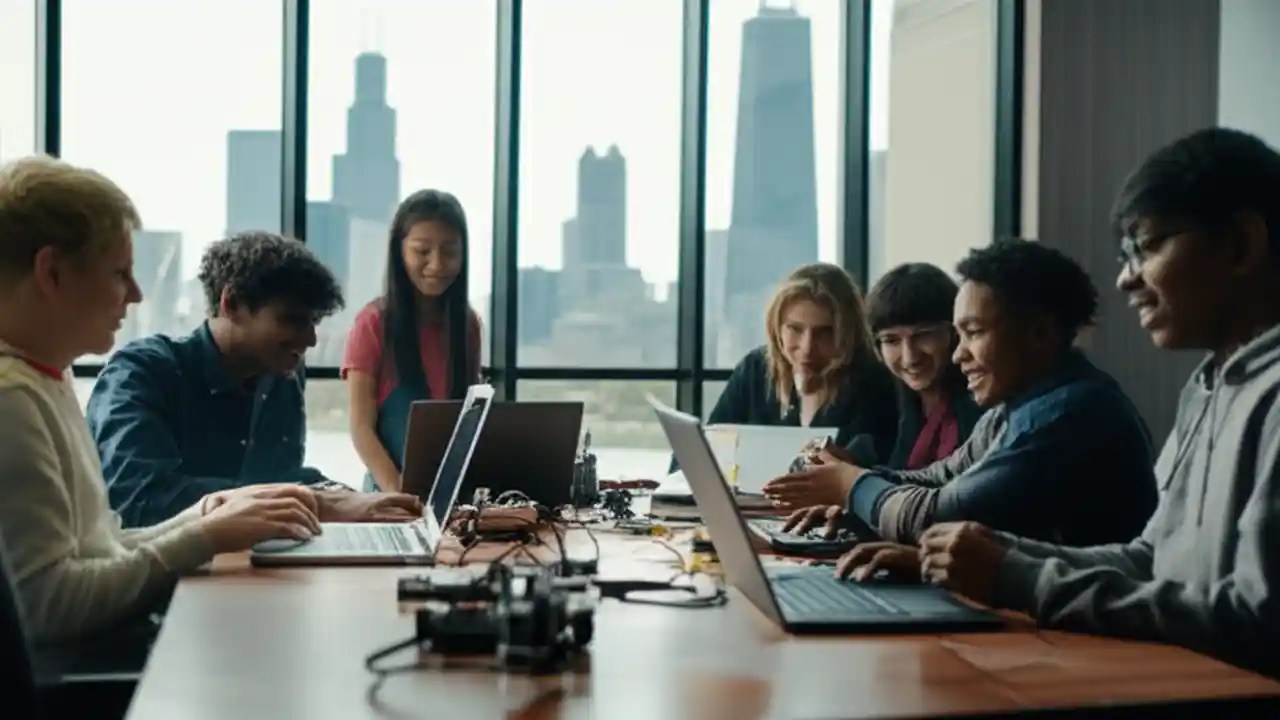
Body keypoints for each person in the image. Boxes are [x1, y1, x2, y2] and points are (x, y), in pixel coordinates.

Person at [912, 128, 1280, 676]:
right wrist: (995, 557)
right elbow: (1149, 560)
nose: (1126, 278)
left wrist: (1019, 578)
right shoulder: (1206, 387)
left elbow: (1257, 622)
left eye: (1148, 246)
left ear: (1242, 243)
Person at [0, 155, 322, 644]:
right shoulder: (11, 401)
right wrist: (207, 536)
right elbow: (48, 609)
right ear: (53, 272)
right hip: (81, 685)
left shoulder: (45, 380)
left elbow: (102, 550)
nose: (134, 295)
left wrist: (207, 513)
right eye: (119, 272)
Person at [767, 239, 1158, 569]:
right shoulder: (1014, 408)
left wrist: (852, 486)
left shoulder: (1066, 415)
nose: (958, 355)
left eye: (973, 333)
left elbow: (940, 515)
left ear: (1040, 333)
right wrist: (853, 490)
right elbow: (939, 478)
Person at [87, 232, 423, 528]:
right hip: (162, 588)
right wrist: (319, 503)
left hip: (246, 572)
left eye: (313, 322)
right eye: (292, 320)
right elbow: (139, 501)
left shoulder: (280, 376)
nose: (310, 340)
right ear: (232, 304)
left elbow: (281, 479)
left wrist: (357, 502)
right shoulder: (141, 374)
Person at [343, 190, 482, 492]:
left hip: (454, 499)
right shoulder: (373, 323)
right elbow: (361, 428)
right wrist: (397, 493)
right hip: (389, 498)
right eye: (422, 251)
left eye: (450, 251)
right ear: (399, 252)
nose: (437, 264)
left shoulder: (468, 325)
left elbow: (471, 418)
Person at [707, 263, 898, 465]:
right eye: (795, 329)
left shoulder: (875, 383)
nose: (807, 348)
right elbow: (703, 454)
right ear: (777, 327)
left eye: (824, 333)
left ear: (847, 332)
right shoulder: (755, 370)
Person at [866, 263, 983, 469]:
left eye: (924, 335)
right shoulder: (887, 404)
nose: (910, 357)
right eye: (891, 340)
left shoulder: (979, 402)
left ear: (955, 333)